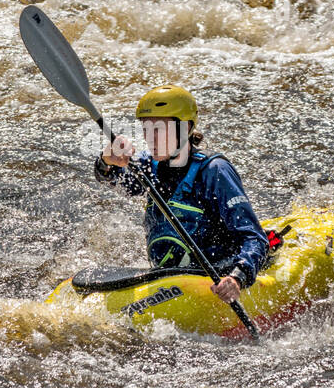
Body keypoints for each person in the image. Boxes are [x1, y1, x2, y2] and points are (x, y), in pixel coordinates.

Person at [93, 85, 269, 304]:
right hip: (171, 279)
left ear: (185, 129)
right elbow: (113, 179)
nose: (151, 138)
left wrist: (237, 278)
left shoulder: (214, 171)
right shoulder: (150, 166)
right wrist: (106, 161)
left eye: (160, 130)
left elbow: (253, 237)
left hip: (215, 278)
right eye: (147, 130)